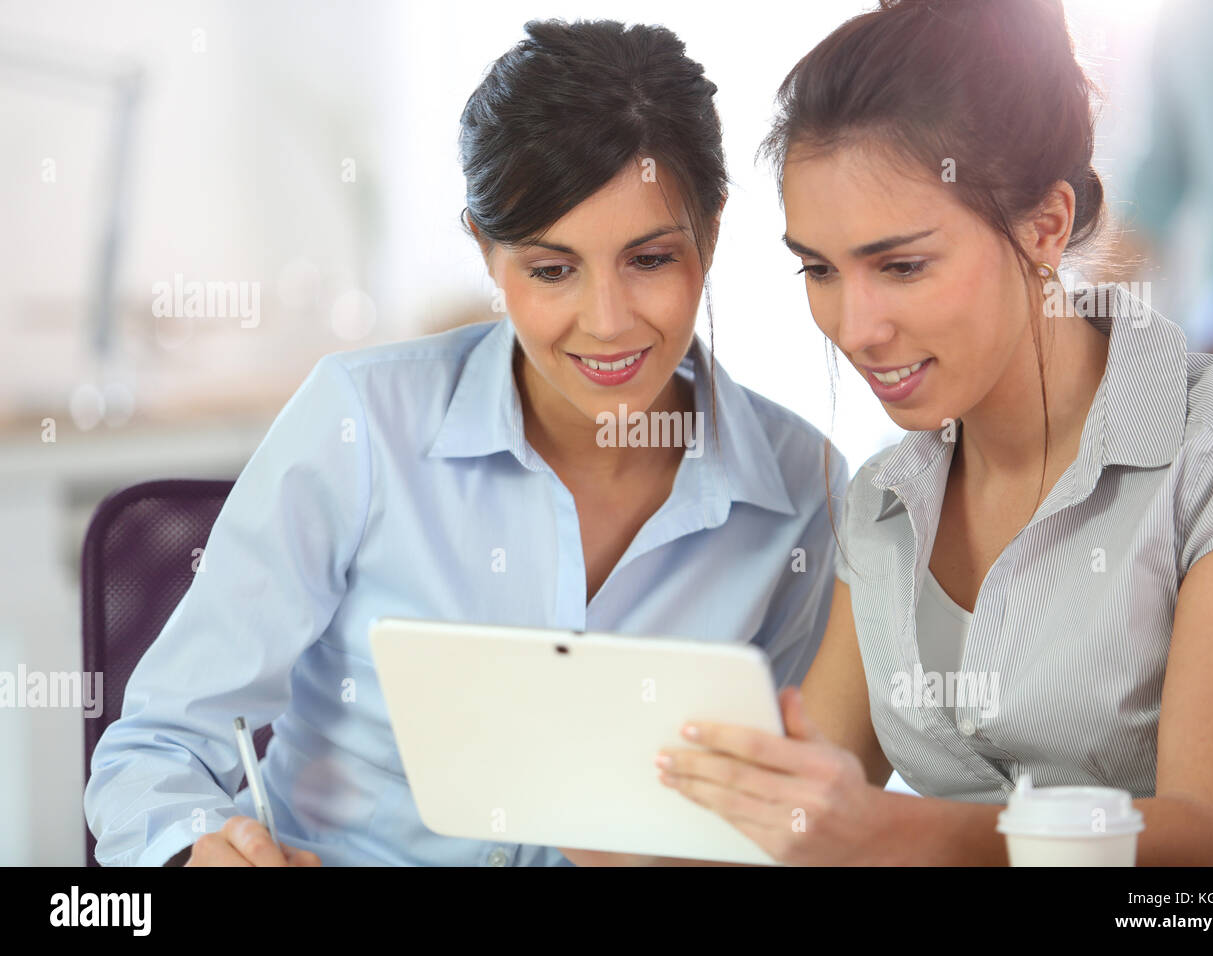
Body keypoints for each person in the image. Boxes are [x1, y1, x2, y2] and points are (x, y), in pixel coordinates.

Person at [84, 18, 847, 867]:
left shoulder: (802, 489)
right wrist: (195, 853)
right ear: (486, 252)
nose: (606, 322)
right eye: (551, 270)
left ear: (711, 230)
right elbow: (157, 747)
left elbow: (793, 817)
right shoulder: (360, 423)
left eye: (650, 259)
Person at [571, 0, 1213, 866]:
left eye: (902, 265)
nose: (856, 325)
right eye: (819, 270)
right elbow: (813, 797)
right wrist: (639, 826)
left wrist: (898, 836)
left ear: (1046, 226)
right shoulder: (883, 499)